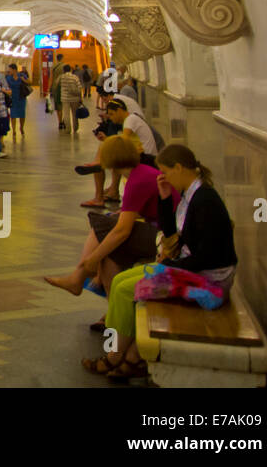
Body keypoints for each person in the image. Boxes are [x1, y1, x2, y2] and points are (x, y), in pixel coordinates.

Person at [85, 144, 237, 382]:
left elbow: (210, 256)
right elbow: (171, 233)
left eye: (165, 172)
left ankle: (117, 355)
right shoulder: (190, 194)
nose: (162, 177)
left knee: (127, 290)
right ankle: (130, 354)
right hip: (191, 267)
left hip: (210, 279)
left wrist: (170, 266)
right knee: (119, 281)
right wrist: (165, 199)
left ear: (178, 167)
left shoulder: (205, 200)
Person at [44, 131, 177, 303]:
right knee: (109, 250)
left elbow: (122, 231)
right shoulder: (141, 173)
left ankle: (81, 274)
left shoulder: (137, 181)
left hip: (167, 237)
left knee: (103, 226)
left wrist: (93, 258)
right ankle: (111, 307)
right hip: (163, 230)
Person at [75, 95, 160, 206]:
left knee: (106, 154)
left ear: (119, 111)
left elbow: (122, 141)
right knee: (112, 153)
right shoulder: (132, 119)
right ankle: (113, 191)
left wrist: (107, 140)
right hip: (143, 156)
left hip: (145, 159)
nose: (110, 117)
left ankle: (98, 195)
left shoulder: (130, 120)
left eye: (111, 114)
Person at [4, 63, 28, 139]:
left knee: (22, 114)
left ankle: (21, 127)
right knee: (13, 114)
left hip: (21, 97)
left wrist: (23, 80)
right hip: (13, 97)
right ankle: (14, 130)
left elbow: (29, 82)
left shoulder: (21, 75)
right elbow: (5, 85)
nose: (9, 71)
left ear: (14, 70)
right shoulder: (8, 78)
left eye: (10, 69)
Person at [60, 64, 83, 135]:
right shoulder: (75, 77)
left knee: (66, 114)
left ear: (63, 70)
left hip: (65, 98)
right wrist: (80, 98)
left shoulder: (62, 77)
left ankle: (68, 129)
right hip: (75, 98)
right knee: (74, 114)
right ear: (70, 69)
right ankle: (75, 128)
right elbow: (79, 87)